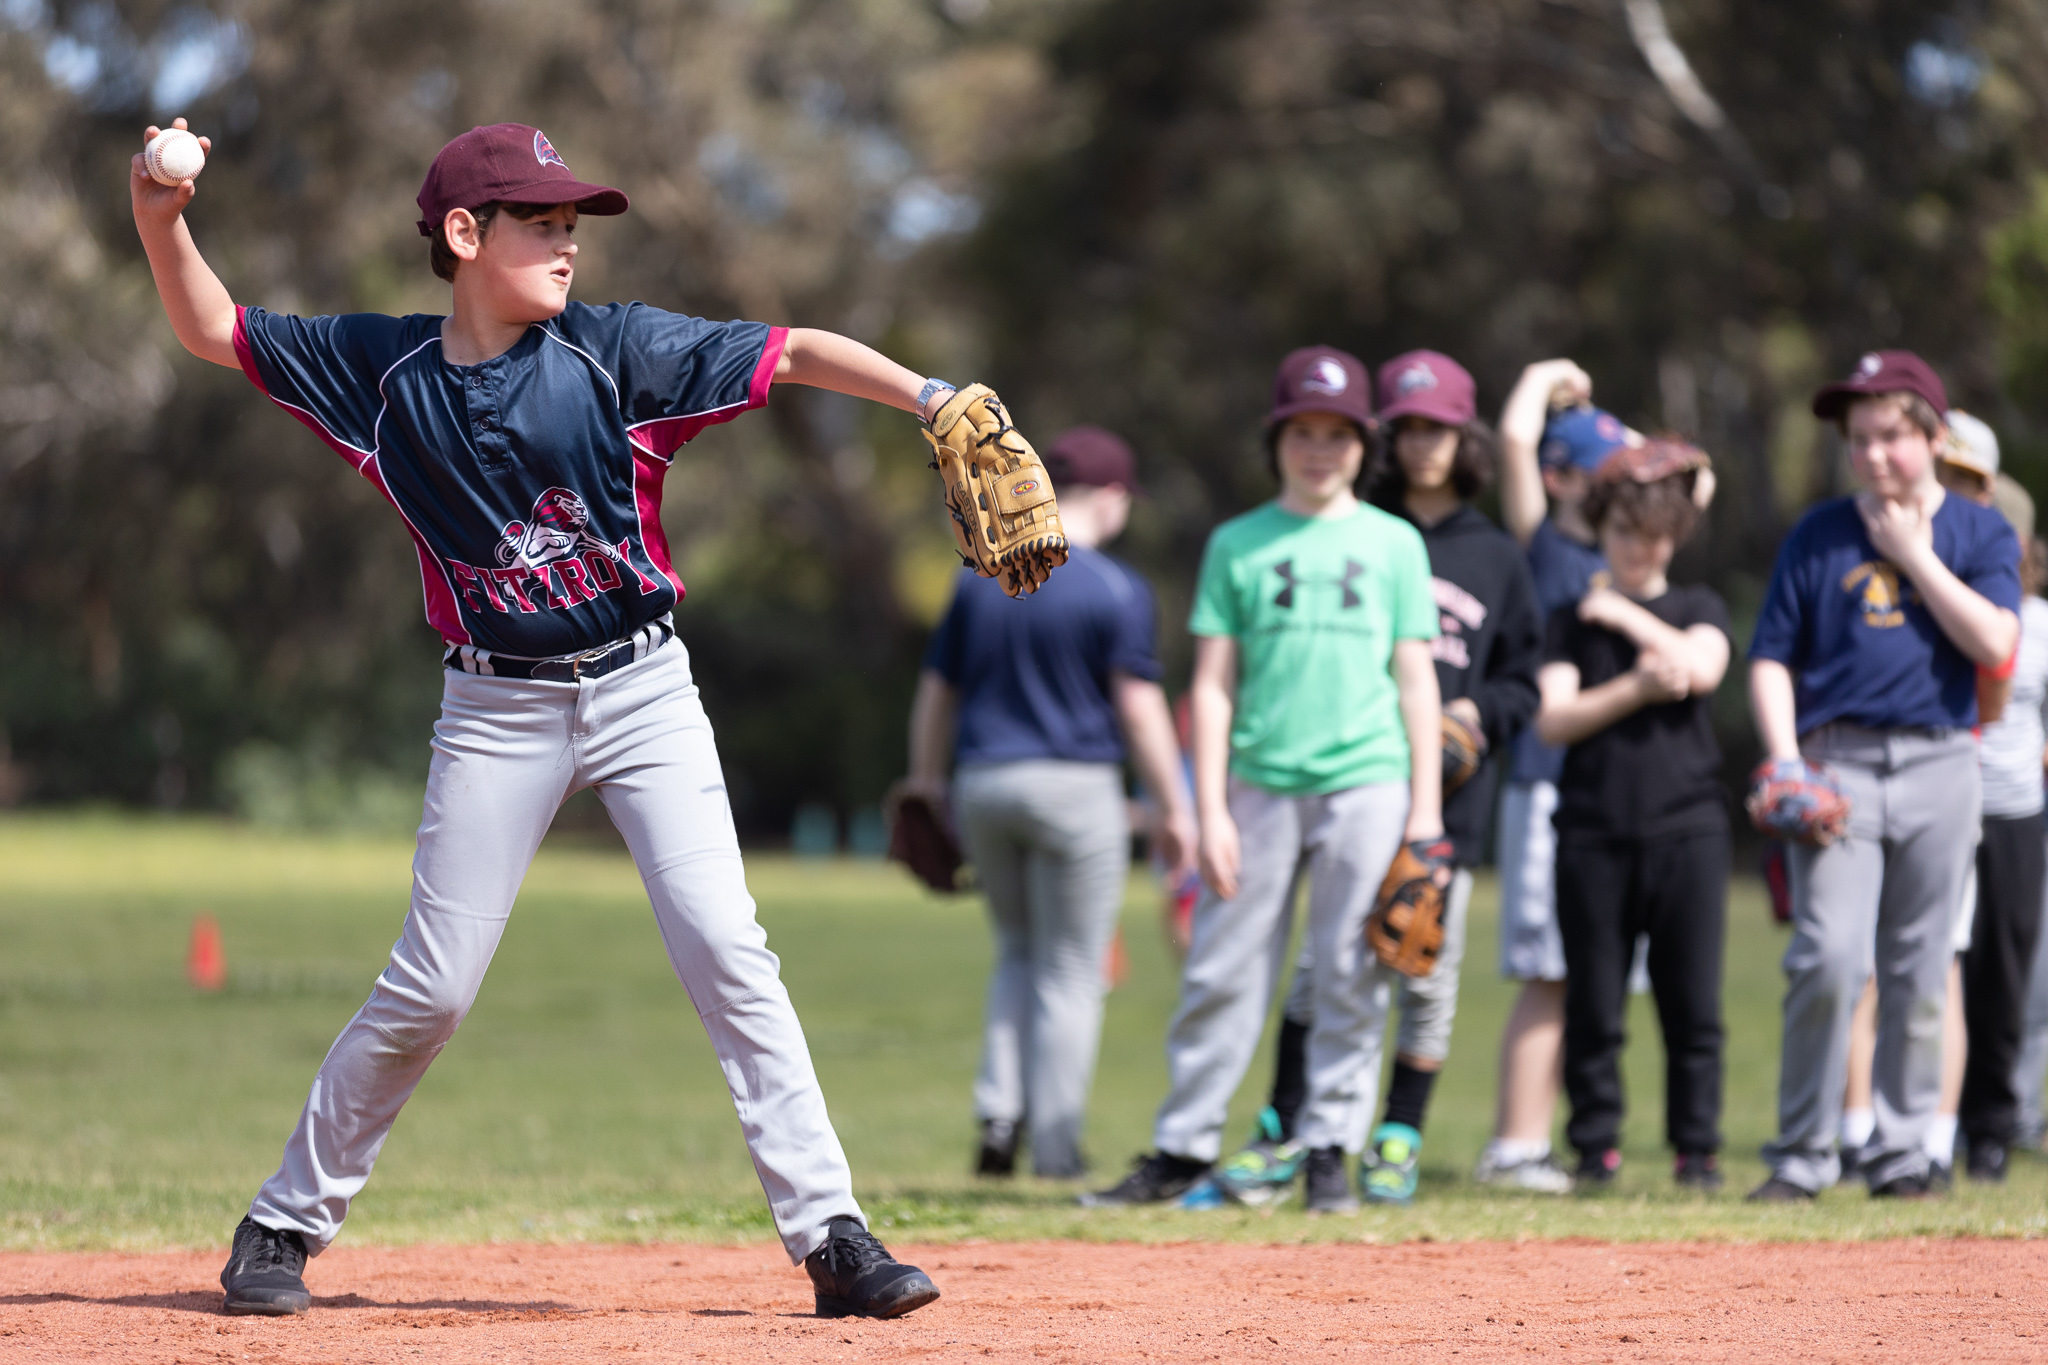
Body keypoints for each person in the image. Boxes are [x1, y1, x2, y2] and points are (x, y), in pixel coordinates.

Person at [133, 118, 953, 1318]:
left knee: (730, 952)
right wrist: (160, 211)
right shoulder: (382, 375)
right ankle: (281, 1224)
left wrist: (931, 398)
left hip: (642, 692)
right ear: (464, 236)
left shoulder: (617, 354)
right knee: (432, 990)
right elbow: (213, 328)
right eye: (541, 222)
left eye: (572, 223)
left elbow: (797, 352)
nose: (568, 246)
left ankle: (833, 1235)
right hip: (494, 709)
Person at [1078, 345, 1444, 1212]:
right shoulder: (1239, 543)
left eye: (1339, 434)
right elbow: (1210, 685)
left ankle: (1326, 1147)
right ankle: (1184, 1146)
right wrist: (1209, 809)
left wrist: (1424, 812)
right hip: (1258, 785)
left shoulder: (1395, 543)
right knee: (1221, 969)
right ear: (1277, 439)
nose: (1320, 449)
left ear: (1364, 444)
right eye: (1303, 432)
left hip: (1368, 778)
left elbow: (1417, 678)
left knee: (1351, 970)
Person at [1254, 351, 1540, 1206]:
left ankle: (1399, 1130)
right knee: (1324, 963)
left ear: (1466, 437)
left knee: (1423, 962)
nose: (1423, 445)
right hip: (1360, 776)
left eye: (1439, 429)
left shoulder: (1496, 555)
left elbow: (1527, 678)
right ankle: (1286, 1125)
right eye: (1408, 428)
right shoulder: (1355, 527)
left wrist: (1479, 715)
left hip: (1452, 795)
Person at [1746, 351, 2020, 1202]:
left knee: (1921, 963)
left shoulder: (1981, 532)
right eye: (1859, 438)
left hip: (1942, 758)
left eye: (1891, 437)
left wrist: (1914, 553)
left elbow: (1996, 645)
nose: (1871, 455)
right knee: (1827, 954)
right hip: (1838, 763)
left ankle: (1903, 1151)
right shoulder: (1819, 532)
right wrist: (1785, 755)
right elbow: (1769, 658)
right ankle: (1803, 1152)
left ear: (1934, 437)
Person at [903, 427, 1196, 1180]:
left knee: (1018, 952)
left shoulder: (979, 579)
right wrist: (1175, 805)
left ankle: (1000, 1115)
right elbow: (1138, 708)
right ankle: (1058, 1148)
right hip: (1075, 790)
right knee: (1071, 969)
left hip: (985, 785)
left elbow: (937, 694)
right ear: (1115, 496)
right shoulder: (1115, 587)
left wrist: (926, 784)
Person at [1533, 442, 1732, 1190]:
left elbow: (1703, 667)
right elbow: (1554, 720)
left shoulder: (1696, 606)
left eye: (1650, 534)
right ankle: (1594, 1148)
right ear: (1602, 529)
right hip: (1591, 832)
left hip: (1690, 831)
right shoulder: (1567, 623)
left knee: (1693, 1007)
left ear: (1673, 536)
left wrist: (1620, 610)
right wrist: (1638, 688)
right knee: (1594, 1004)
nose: (1636, 546)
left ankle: (1697, 1149)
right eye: (1621, 530)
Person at [1474, 360, 1628, 1193]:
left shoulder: (1624, 547)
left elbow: (1695, 480)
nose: (1614, 489)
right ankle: (1515, 1143)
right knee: (1551, 968)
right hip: (1545, 783)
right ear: (1558, 477)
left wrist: (1603, 419)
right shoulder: (1544, 548)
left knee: (1587, 970)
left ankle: (1551, 1139)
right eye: (1597, 474)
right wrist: (1540, 379)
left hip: (1604, 788)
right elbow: (1511, 437)